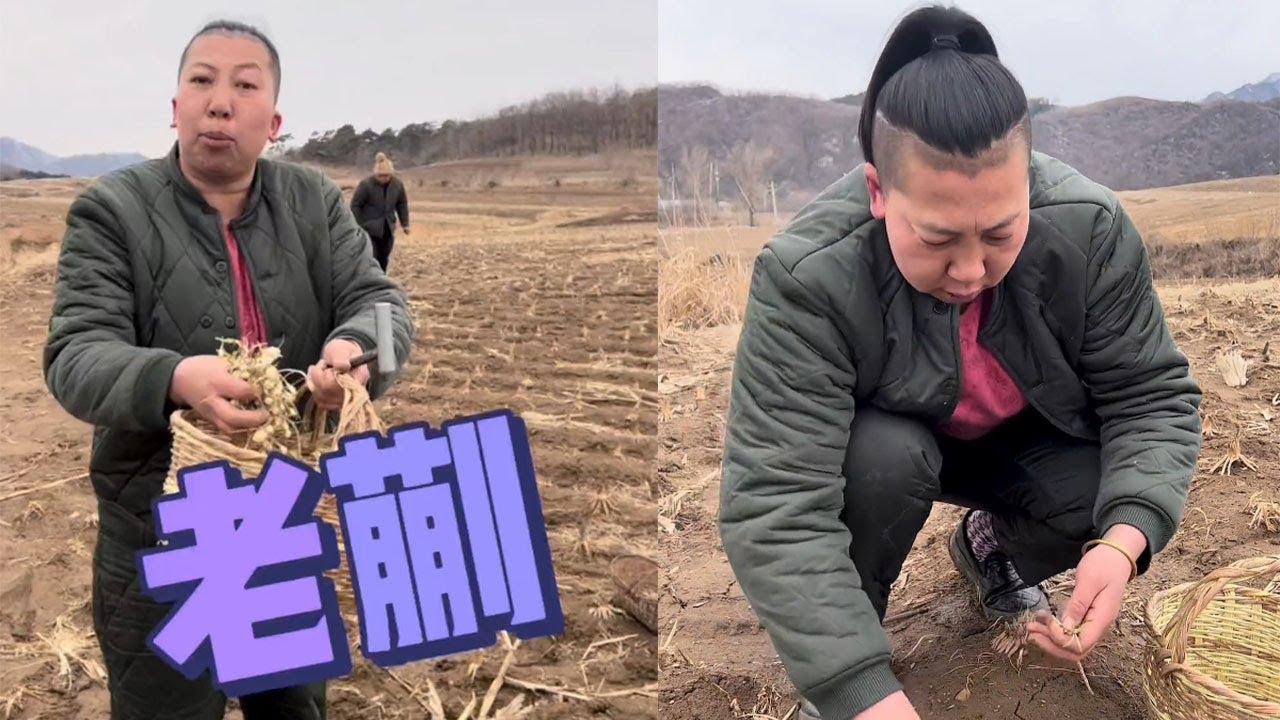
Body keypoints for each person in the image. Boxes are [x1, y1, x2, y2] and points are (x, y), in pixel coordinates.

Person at [717, 6, 1202, 720]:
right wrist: (860, 693)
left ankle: (990, 549)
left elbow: (1151, 399)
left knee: (1109, 489)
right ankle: (846, 664)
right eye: (939, 238)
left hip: (1025, 444)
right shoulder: (808, 274)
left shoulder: (1089, 230)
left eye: (1001, 231)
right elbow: (774, 501)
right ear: (880, 193)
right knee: (882, 459)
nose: (972, 269)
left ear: (1028, 189)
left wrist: (1121, 544)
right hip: (891, 451)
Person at [42, 19, 414, 720]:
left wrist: (355, 356)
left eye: (245, 86)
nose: (221, 102)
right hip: (161, 527)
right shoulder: (112, 211)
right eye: (202, 81)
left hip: (281, 517)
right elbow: (76, 355)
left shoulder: (312, 203)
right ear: (174, 106)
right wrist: (175, 379)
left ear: (272, 122)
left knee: (293, 707)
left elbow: (382, 304)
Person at [350, 152, 411, 272]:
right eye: (380, 176)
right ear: (375, 174)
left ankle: (382, 279)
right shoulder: (365, 185)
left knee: (384, 258)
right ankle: (371, 281)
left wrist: (405, 224)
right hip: (368, 228)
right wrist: (357, 225)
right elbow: (355, 205)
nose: (383, 178)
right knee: (372, 257)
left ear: (391, 174)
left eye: (386, 176)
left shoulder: (397, 185)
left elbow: (402, 204)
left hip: (387, 228)